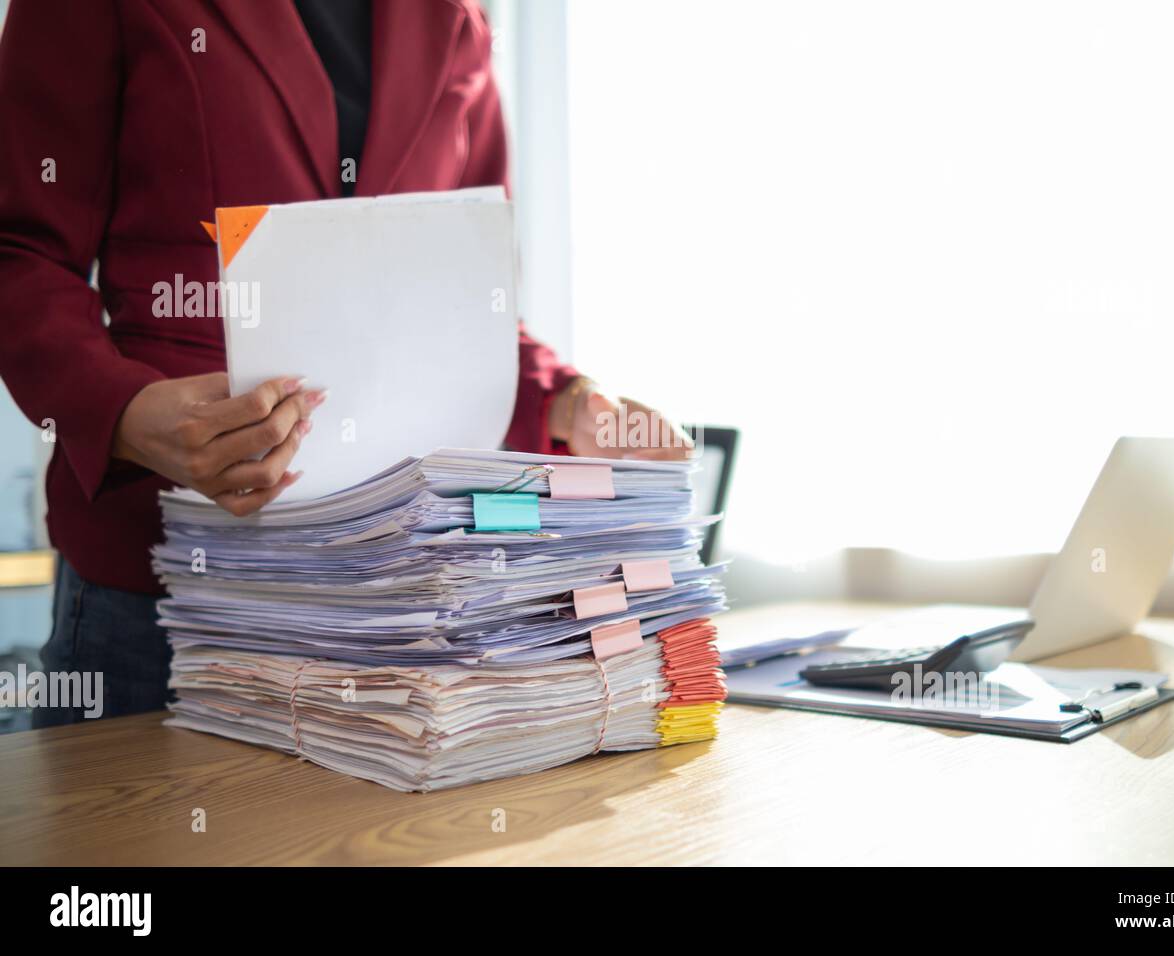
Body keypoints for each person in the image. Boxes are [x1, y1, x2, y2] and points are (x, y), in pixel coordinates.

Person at [0, 0, 690, 727]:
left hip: (395, 591)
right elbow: (21, 252)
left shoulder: (455, 17)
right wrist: (129, 413)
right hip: (162, 587)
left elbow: (462, 291)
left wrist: (566, 400)